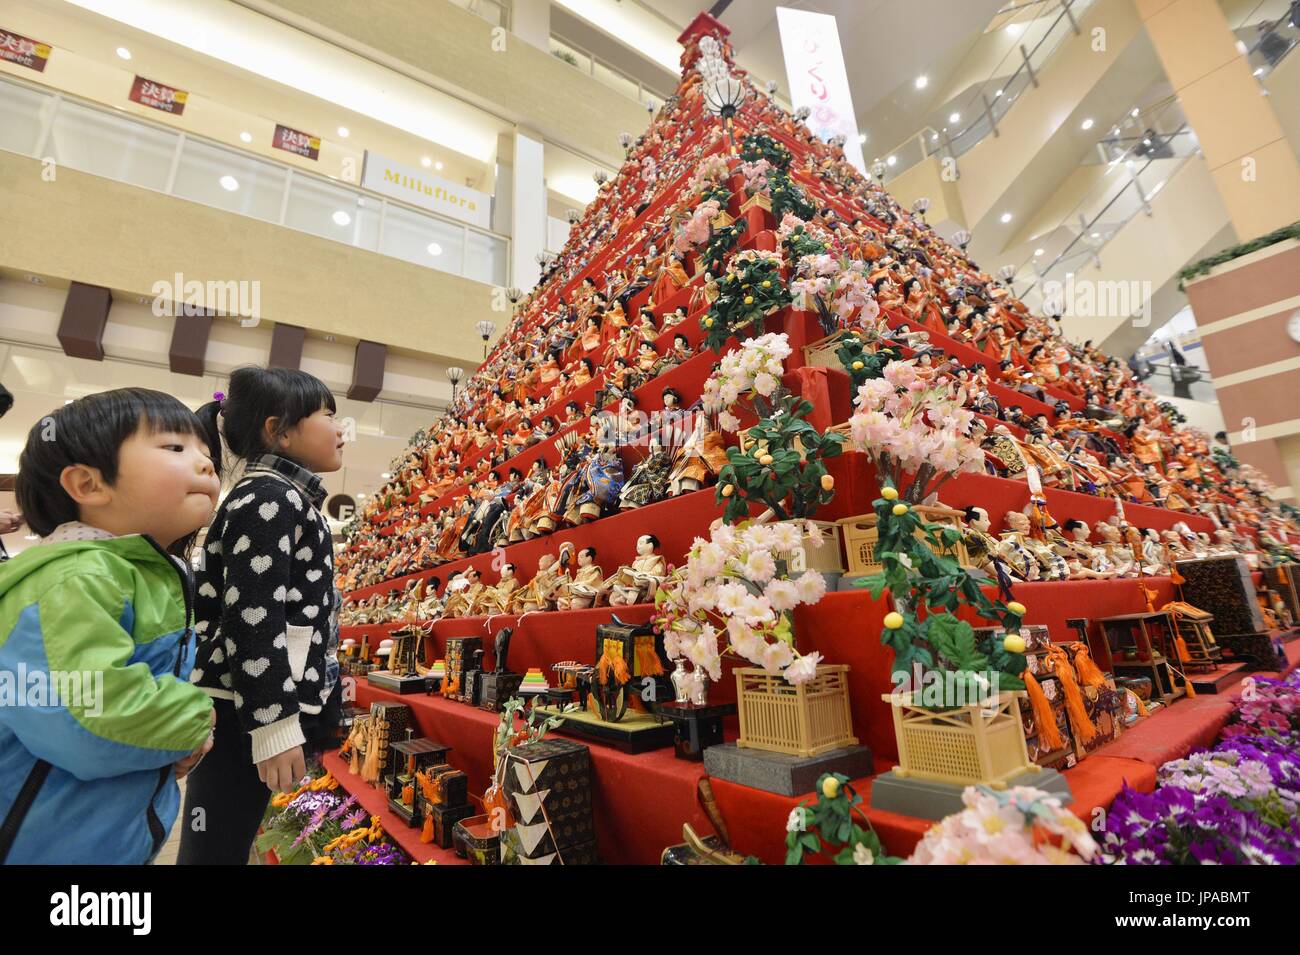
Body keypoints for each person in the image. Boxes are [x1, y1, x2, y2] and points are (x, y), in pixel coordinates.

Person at [0, 388, 218, 863]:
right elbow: (87, 718)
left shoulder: (139, 574)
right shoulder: (75, 577)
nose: (205, 463)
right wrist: (193, 720)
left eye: (205, 451)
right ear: (88, 485)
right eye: (175, 448)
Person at [178, 367, 345, 866]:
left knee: (227, 841)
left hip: (250, 708)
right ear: (280, 431)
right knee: (214, 849)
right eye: (328, 415)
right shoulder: (269, 497)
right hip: (243, 712)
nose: (341, 429)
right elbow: (254, 615)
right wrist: (273, 726)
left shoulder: (286, 497)